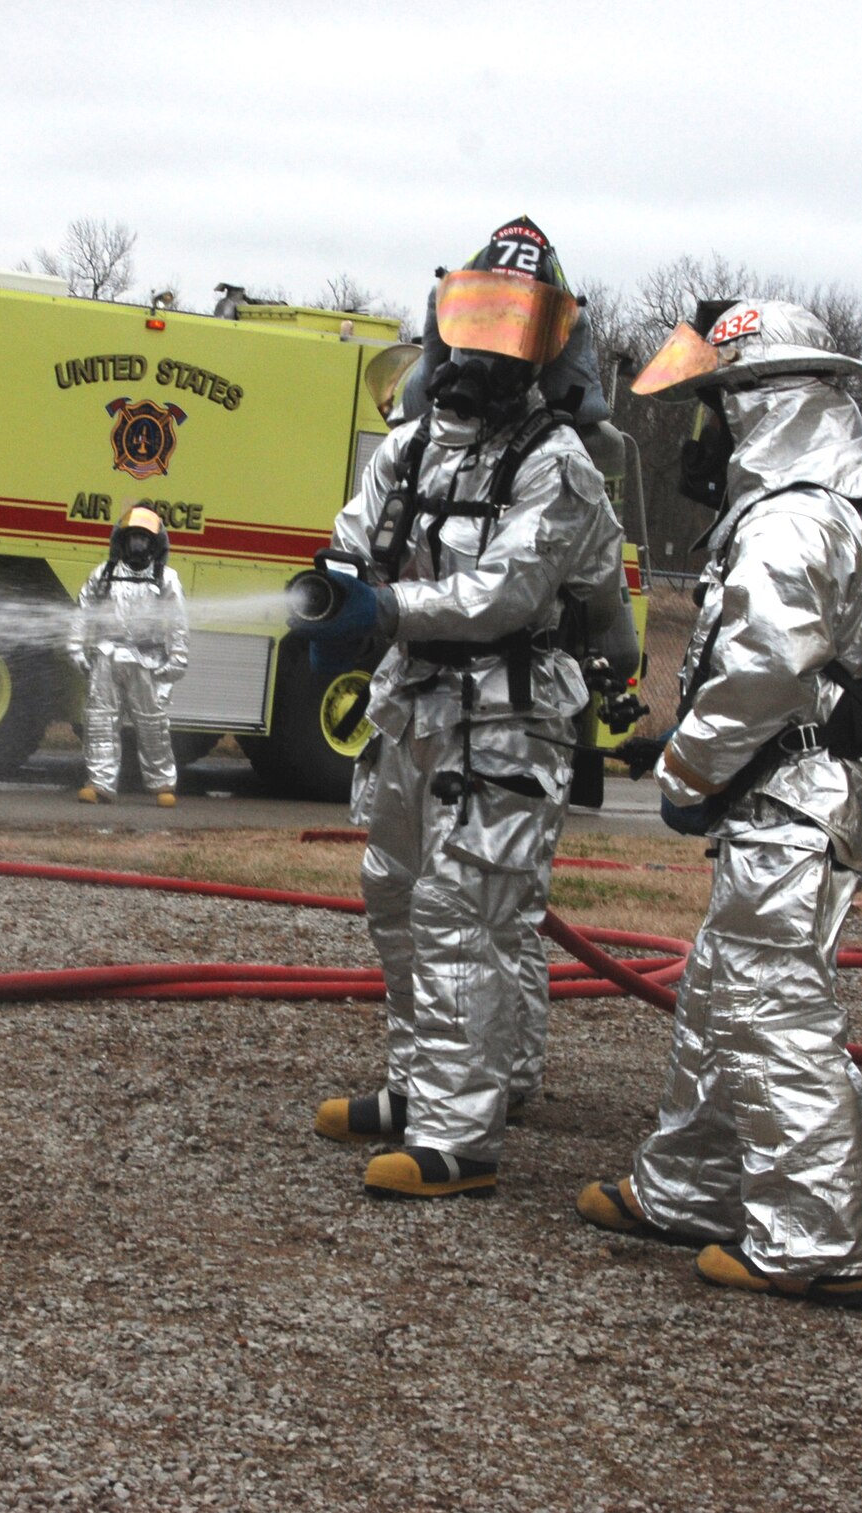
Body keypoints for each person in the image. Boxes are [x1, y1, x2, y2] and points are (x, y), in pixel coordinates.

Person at [577, 299, 862, 1310]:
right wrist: (689, 752)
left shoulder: (794, 516)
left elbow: (761, 673)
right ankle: (688, 1189)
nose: (702, 433)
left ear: (758, 404)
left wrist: (685, 773)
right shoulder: (838, 495)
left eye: (711, 408)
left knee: (773, 1013)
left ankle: (814, 1241)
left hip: (792, 800)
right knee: (719, 993)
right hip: (790, 789)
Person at [292, 216, 630, 1200]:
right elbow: (354, 540)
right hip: (414, 706)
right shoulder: (405, 450)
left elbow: (508, 593)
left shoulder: (556, 462)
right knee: (393, 893)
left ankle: (458, 1135)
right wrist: (334, 594)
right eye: (472, 317)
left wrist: (390, 608)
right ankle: (418, 1085)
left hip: (506, 716)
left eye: (512, 324)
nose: (485, 345)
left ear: (550, 347)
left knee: (460, 911)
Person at [69, 504, 189, 806]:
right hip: (106, 657)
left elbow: (177, 621)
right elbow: (83, 611)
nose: (138, 545)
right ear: (121, 542)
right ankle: (100, 784)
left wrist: (178, 656)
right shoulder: (103, 574)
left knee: (153, 725)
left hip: (147, 661)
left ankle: (162, 785)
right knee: (100, 722)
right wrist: (76, 646)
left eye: (144, 539)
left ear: (154, 544)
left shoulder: (166, 578)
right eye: (133, 538)